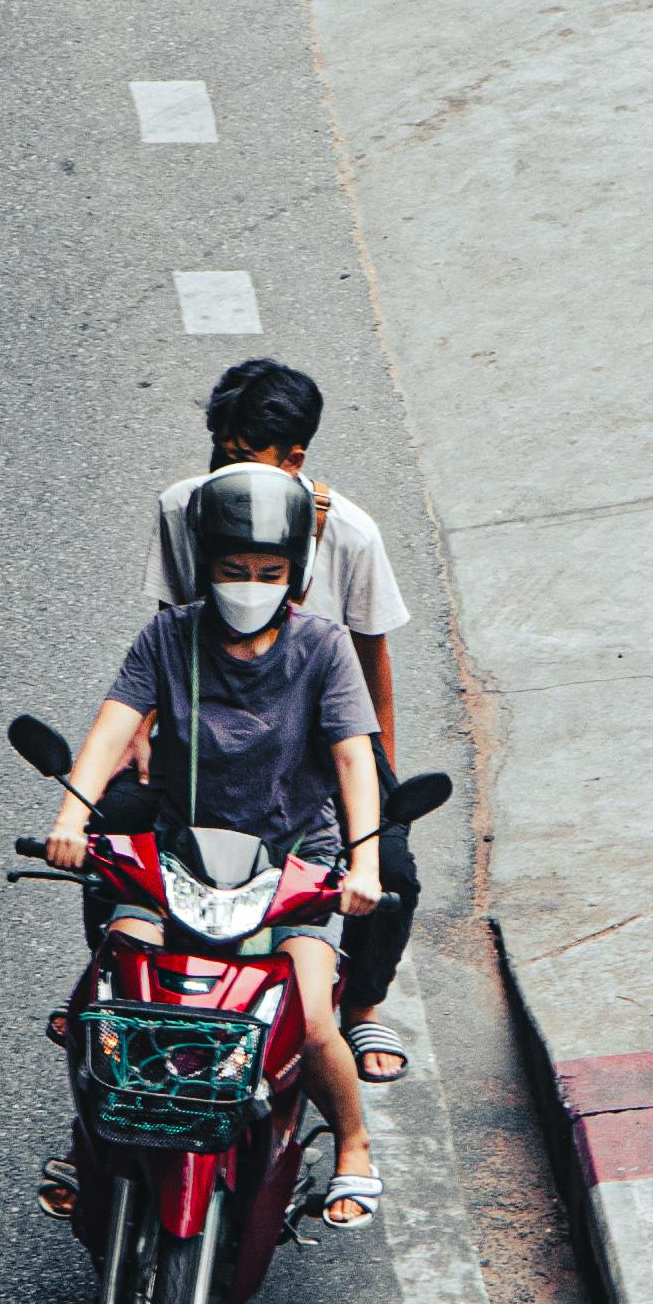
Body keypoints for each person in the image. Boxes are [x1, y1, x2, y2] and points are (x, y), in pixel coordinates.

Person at [46, 464, 387, 1233]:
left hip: (294, 862)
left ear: (294, 572)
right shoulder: (167, 639)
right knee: (112, 992)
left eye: (269, 571)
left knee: (312, 1017)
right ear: (206, 566)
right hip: (181, 861)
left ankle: (355, 1146)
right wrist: (73, 815)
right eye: (236, 570)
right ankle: (86, 1143)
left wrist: (362, 862)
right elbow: (111, 727)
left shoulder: (324, 649)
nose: (251, 584)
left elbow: (353, 759)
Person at [148, 354, 420, 1081]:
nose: (219, 470)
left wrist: (381, 780)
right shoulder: (183, 509)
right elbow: (171, 628)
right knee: (115, 834)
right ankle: (117, 980)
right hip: (212, 729)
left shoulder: (352, 535)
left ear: (294, 458)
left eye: (240, 456)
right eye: (216, 448)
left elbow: (372, 659)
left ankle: (361, 1007)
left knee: (393, 874)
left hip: (317, 738)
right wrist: (144, 736)